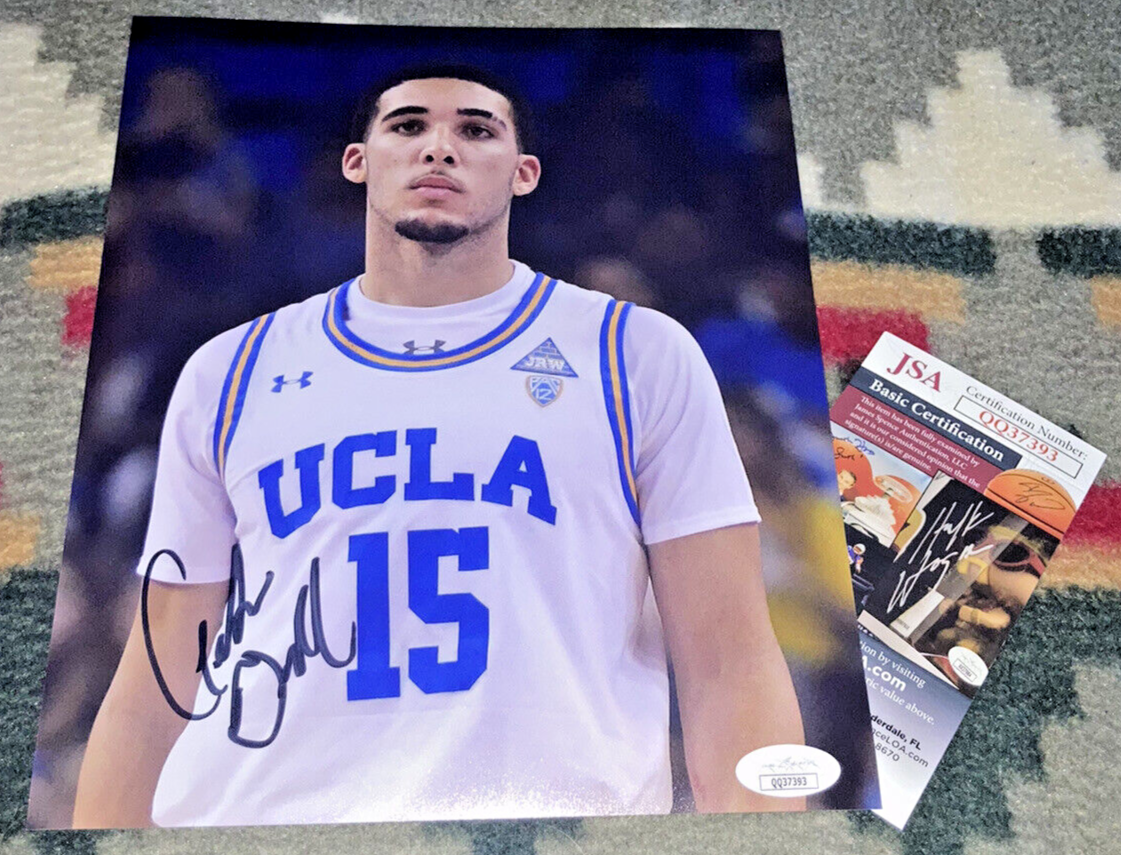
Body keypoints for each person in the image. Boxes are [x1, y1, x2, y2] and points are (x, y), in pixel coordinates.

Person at [72, 63, 804, 828]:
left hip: (539, 828)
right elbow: (157, 677)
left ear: (524, 174)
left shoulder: (633, 352)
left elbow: (729, 660)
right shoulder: (231, 368)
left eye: (476, 130)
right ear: (358, 161)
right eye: (408, 125)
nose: (439, 148)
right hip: (260, 824)